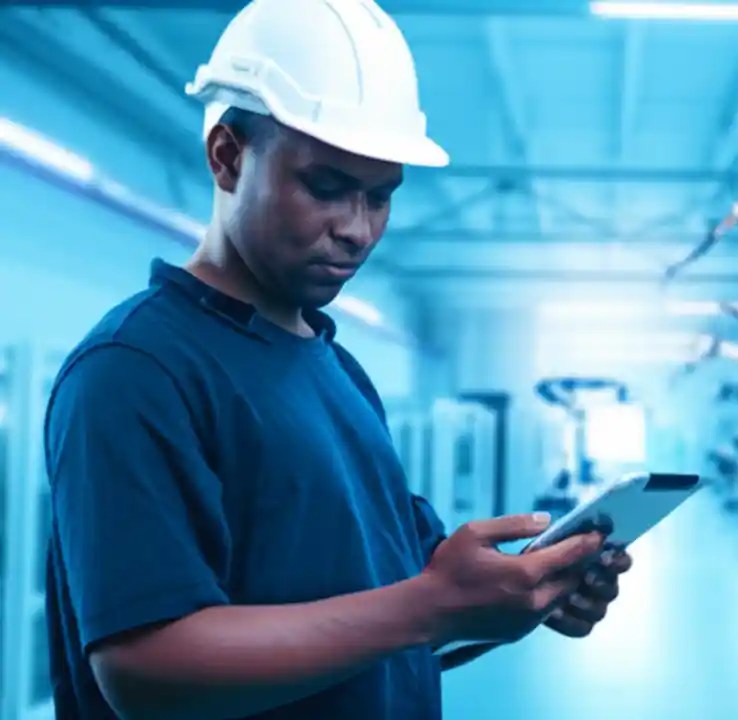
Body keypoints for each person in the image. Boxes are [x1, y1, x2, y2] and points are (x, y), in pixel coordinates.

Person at [42, 1, 632, 718]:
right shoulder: (136, 368)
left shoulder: (334, 368)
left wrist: (517, 597)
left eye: (380, 197)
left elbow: (395, 609)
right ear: (228, 156)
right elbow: (144, 670)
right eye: (324, 186)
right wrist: (430, 605)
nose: (356, 229)